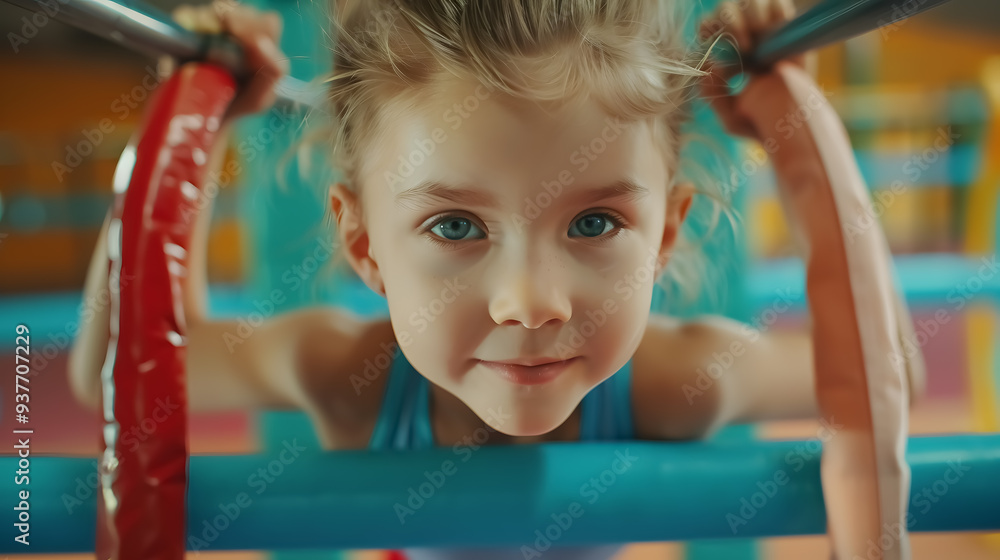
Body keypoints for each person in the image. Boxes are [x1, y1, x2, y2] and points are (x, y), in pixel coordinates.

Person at [69, 0, 925, 558]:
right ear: (366, 246)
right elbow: (111, 365)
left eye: (594, 223)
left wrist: (795, 126)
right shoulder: (349, 379)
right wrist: (192, 122)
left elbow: (891, 372)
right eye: (455, 226)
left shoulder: (679, 382)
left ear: (663, 236)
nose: (530, 303)